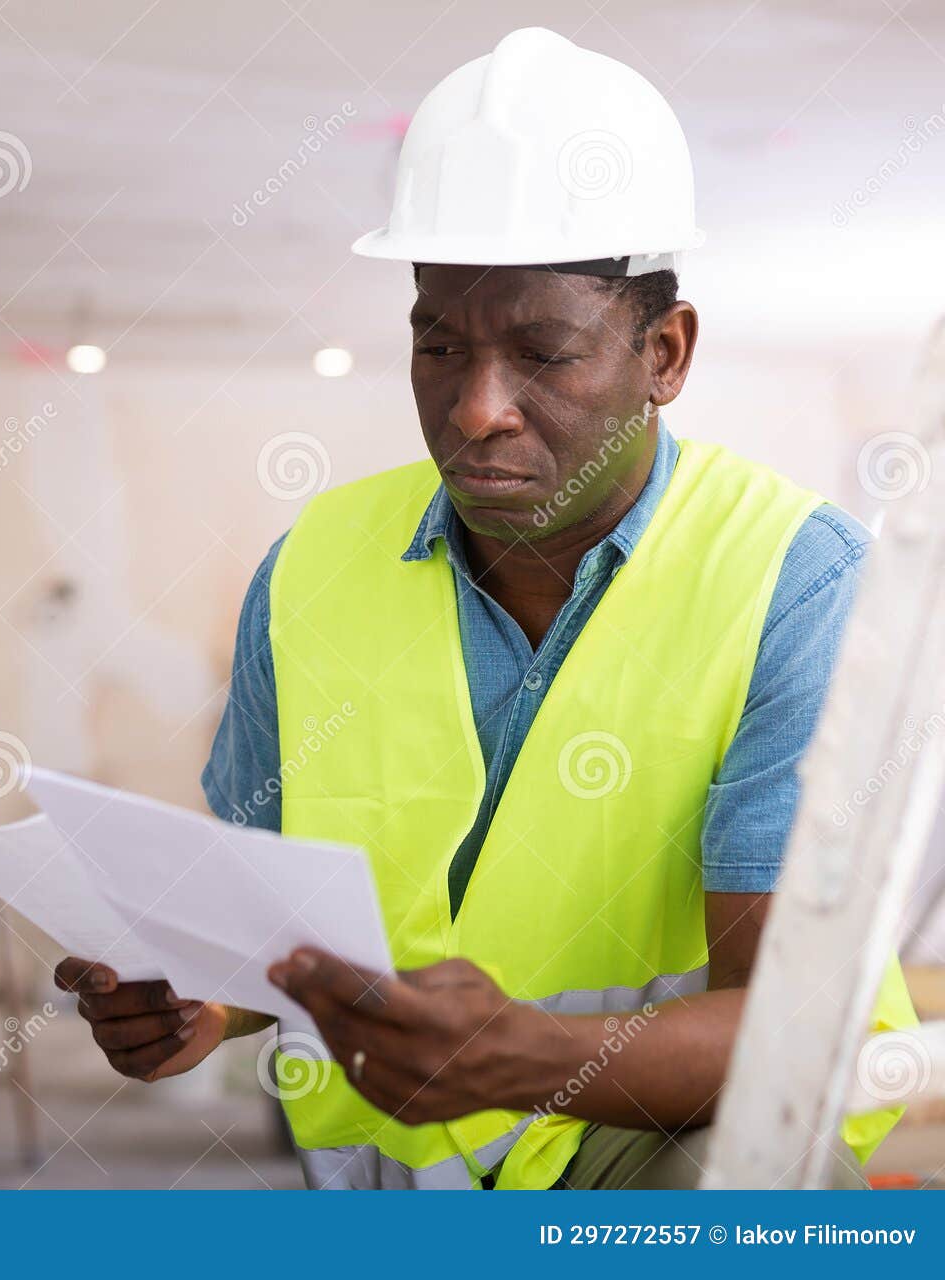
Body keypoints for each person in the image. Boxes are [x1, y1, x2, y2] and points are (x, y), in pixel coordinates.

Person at [54, 27, 916, 1190]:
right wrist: (199, 1001)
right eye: (436, 343)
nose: (474, 409)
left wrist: (532, 1060)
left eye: (541, 354)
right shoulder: (312, 565)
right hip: (394, 1175)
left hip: (639, 1146)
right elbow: (262, 922)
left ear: (663, 352)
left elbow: (791, 1023)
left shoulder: (793, 581)